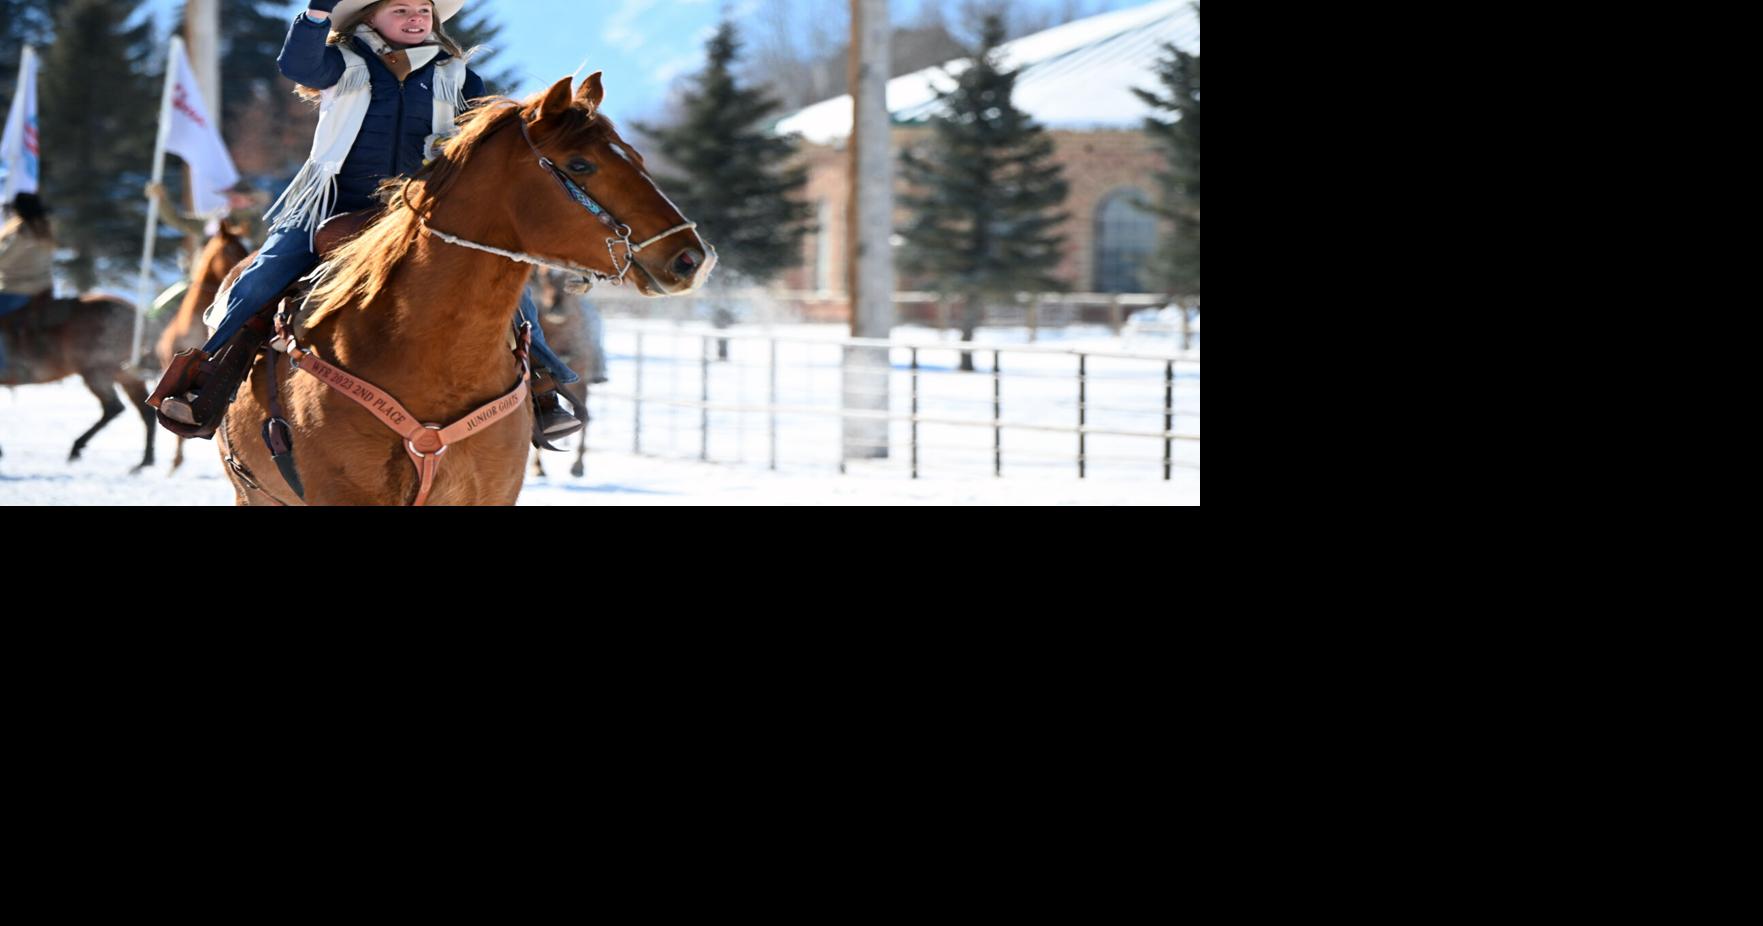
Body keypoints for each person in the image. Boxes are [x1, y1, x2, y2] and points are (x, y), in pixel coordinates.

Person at [152, 0, 581, 437]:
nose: (416, 18)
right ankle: (208, 381)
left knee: (507, 283)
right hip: (332, 203)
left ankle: (543, 388)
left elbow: (481, 138)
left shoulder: (458, 75)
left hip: (422, 211)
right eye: (401, 10)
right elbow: (298, 63)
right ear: (369, 17)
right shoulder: (339, 63)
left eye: (423, 10)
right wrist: (318, 12)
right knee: (263, 276)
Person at [0, 193, 55, 373]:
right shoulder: (45, 229)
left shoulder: (21, 232)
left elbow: (4, 260)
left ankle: (3, 365)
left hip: (16, 289)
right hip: (42, 287)